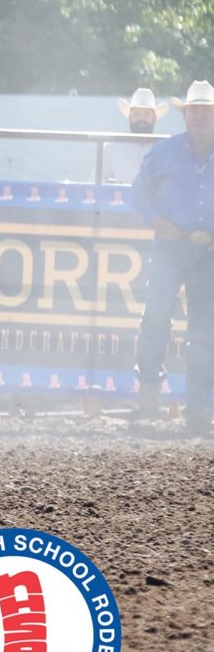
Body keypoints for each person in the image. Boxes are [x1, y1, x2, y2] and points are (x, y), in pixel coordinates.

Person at [130, 79, 214, 431]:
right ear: (185, 115)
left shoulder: (165, 151)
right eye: (194, 110)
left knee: (204, 330)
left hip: (207, 251)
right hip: (170, 245)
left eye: (205, 111)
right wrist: (156, 220)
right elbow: (138, 192)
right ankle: (150, 395)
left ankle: (198, 410)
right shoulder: (164, 152)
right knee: (156, 316)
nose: (199, 116)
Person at [102, 87, 168, 184]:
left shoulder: (166, 150)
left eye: (146, 114)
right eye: (136, 114)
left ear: (154, 118)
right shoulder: (111, 148)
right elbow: (95, 186)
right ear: (129, 117)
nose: (141, 119)